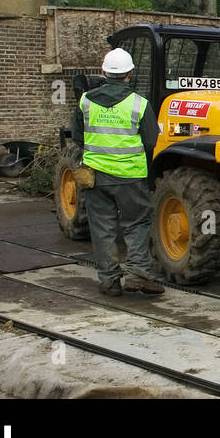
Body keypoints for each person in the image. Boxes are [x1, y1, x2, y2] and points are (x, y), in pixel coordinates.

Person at [73, 48, 163, 296]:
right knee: (137, 224)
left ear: (103, 72)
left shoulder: (86, 101)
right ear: (130, 74)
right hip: (131, 176)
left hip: (96, 177)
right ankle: (137, 274)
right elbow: (151, 140)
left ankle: (110, 281)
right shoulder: (140, 104)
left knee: (102, 228)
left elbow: (78, 137)